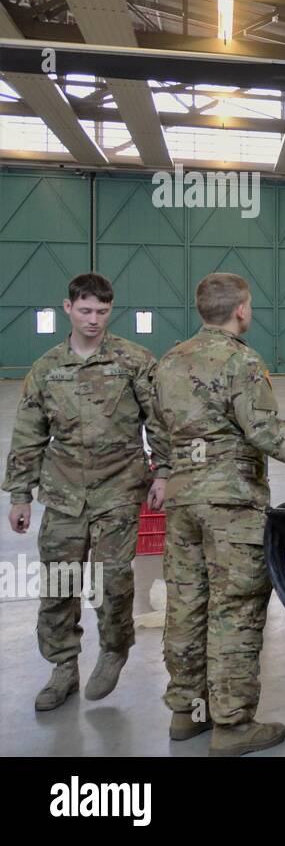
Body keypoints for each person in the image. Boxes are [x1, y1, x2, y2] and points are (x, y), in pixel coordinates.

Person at [152, 273, 285, 755]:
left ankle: (188, 712)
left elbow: (160, 432)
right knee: (235, 609)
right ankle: (231, 725)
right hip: (231, 503)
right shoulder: (241, 361)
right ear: (241, 310)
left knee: (187, 604)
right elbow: (266, 433)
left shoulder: (168, 362)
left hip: (184, 500)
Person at [3, 273, 167, 711]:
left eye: (102, 311)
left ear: (110, 311)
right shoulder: (46, 368)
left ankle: (114, 649)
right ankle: (62, 668)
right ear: (68, 308)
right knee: (60, 584)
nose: (94, 320)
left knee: (112, 581)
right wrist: (19, 494)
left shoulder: (134, 361)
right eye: (86, 310)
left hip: (119, 488)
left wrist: (164, 473)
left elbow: (160, 421)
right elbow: (28, 434)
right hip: (62, 494)